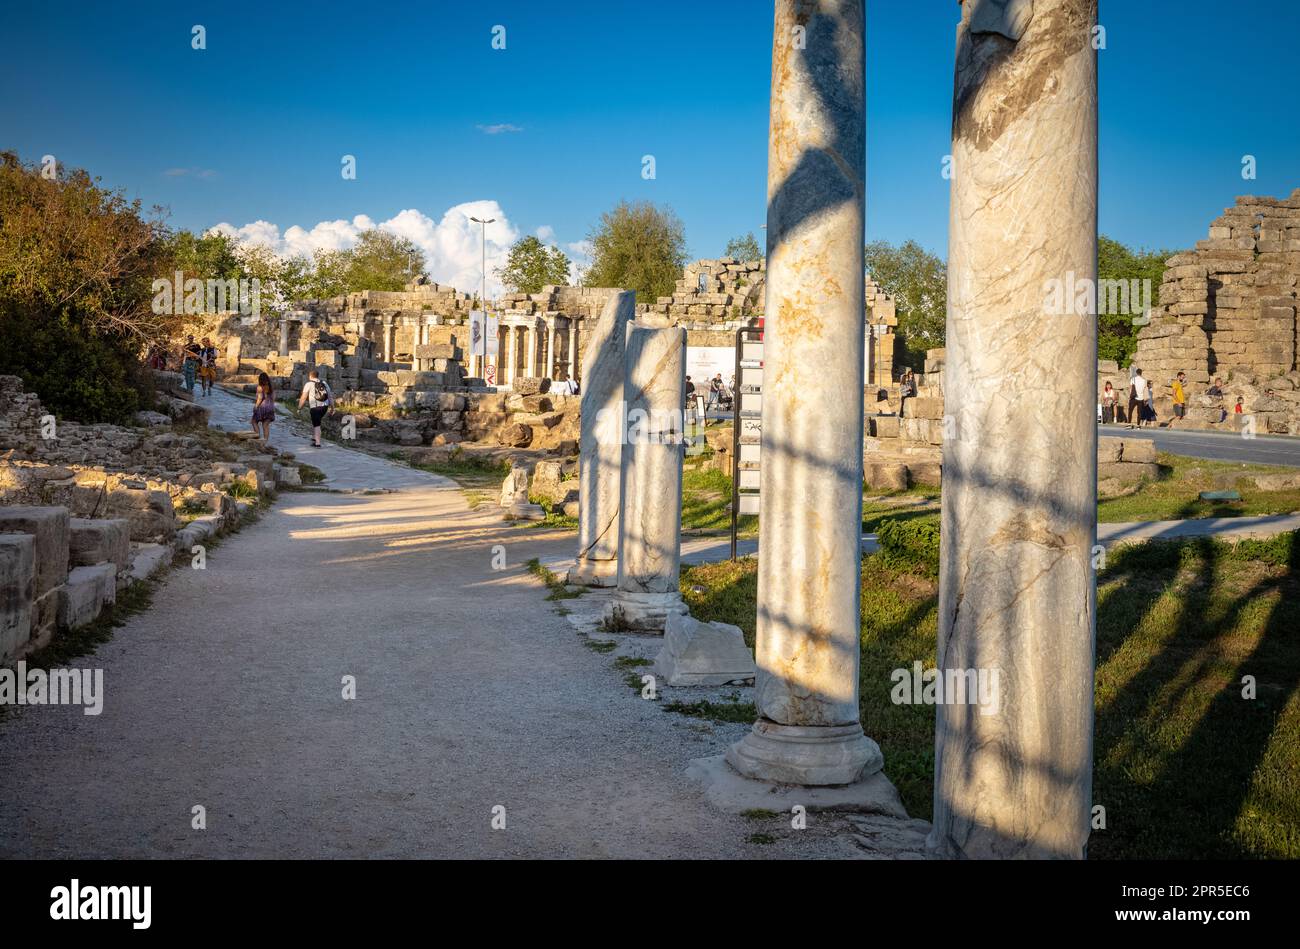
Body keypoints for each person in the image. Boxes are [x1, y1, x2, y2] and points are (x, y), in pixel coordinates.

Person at [298, 369, 334, 449]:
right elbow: (330, 396)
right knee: (317, 421)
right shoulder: (324, 383)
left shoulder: (309, 384)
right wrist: (332, 408)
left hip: (315, 407)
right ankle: (314, 437)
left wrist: (299, 407)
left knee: (317, 424)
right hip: (324, 406)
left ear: (310, 376)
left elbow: (304, 397)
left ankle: (317, 443)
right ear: (317, 376)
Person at [251, 372, 275, 446]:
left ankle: (258, 439)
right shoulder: (271, 387)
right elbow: (274, 398)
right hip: (270, 407)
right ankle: (264, 442)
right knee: (265, 425)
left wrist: (255, 407)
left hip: (262, 407)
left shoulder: (260, 387)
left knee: (254, 422)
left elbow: (260, 398)